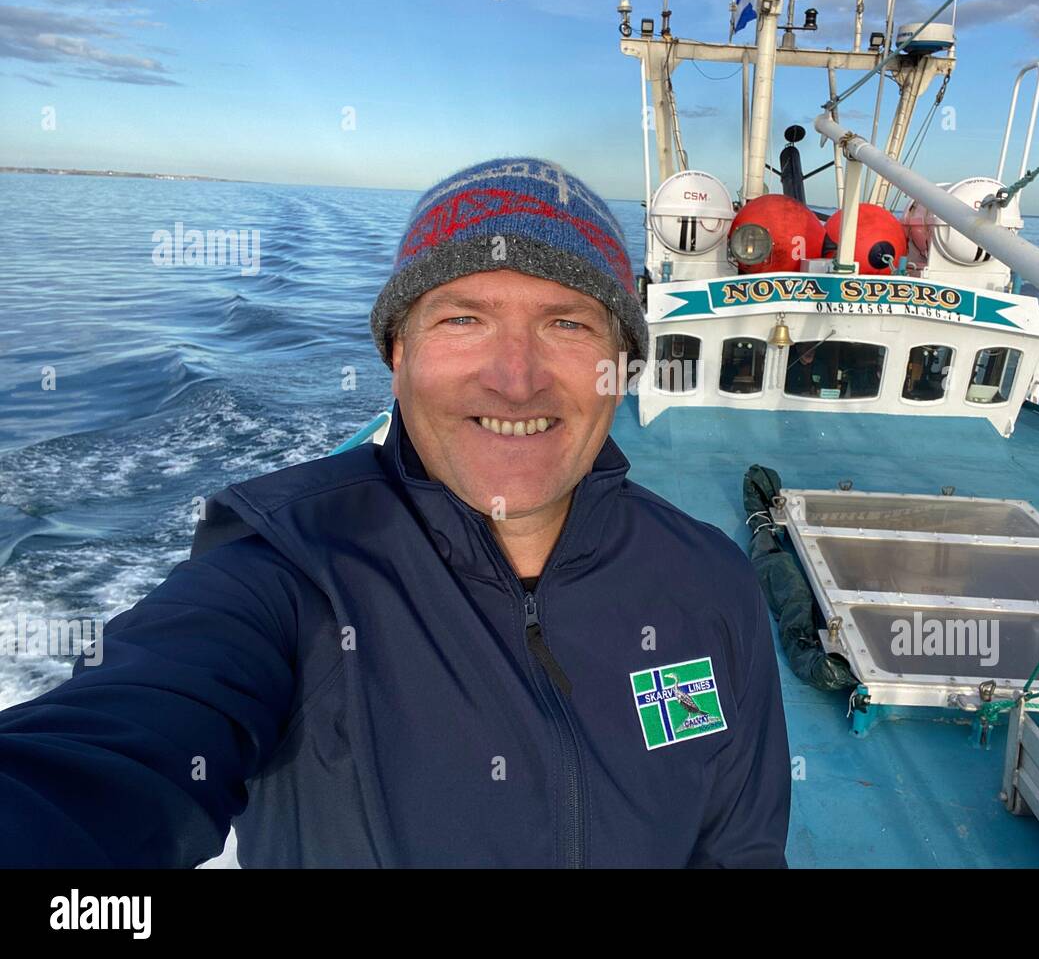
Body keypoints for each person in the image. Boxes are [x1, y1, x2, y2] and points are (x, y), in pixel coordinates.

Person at [0, 157, 791, 868]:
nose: (516, 380)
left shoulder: (709, 582)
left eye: (567, 323)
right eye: (463, 319)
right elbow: (108, 753)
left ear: (622, 367)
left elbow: (740, 850)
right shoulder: (291, 571)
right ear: (397, 354)